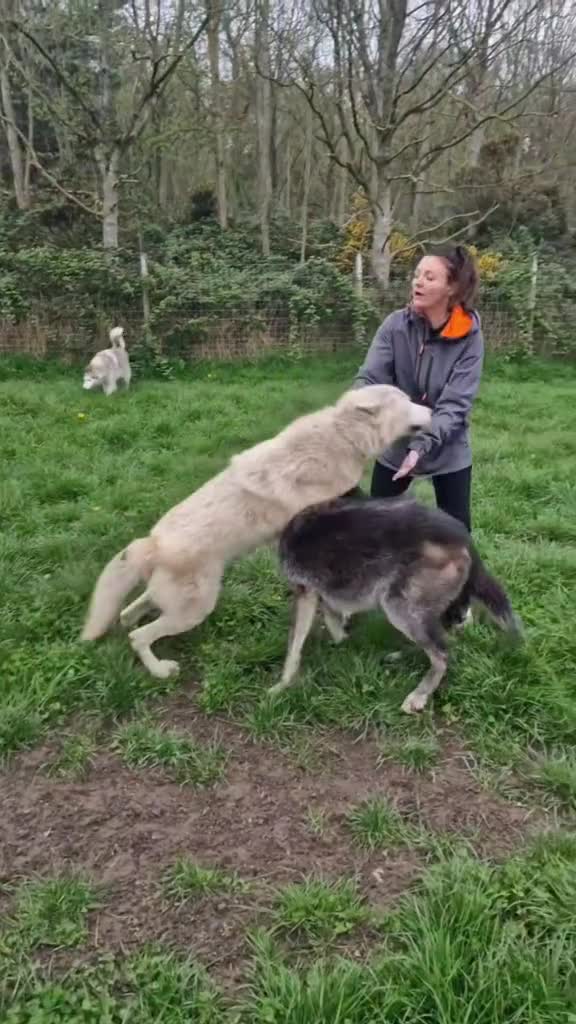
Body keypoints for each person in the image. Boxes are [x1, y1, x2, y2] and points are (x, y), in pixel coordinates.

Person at [353, 243, 484, 626]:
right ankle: (362, 599)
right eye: (416, 275)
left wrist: (423, 446)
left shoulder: (470, 336)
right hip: (396, 445)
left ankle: (458, 606)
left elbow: (455, 406)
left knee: (456, 533)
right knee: (374, 525)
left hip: (448, 448)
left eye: (429, 276)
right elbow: (369, 378)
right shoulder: (396, 326)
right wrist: (357, 410)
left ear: (452, 288)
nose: (417, 282)